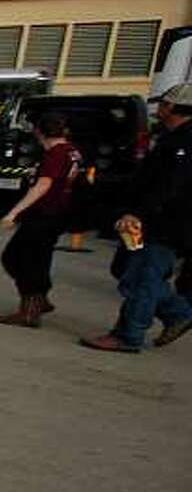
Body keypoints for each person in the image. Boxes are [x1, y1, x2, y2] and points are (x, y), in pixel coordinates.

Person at [80, 83, 192, 353]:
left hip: (166, 224)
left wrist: (137, 212)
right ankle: (178, 312)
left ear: (174, 107)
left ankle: (128, 334)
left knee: (142, 277)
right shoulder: (169, 137)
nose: (160, 108)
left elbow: (170, 186)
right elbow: (147, 180)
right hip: (152, 220)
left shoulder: (185, 143)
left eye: (164, 104)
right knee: (125, 270)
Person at [0, 114, 78, 327]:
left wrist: (14, 212)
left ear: (40, 132)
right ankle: (38, 298)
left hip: (45, 213)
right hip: (58, 213)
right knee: (36, 258)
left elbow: (43, 185)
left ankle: (31, 306)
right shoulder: (71, 152)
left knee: (20, 258)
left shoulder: (56, 154)